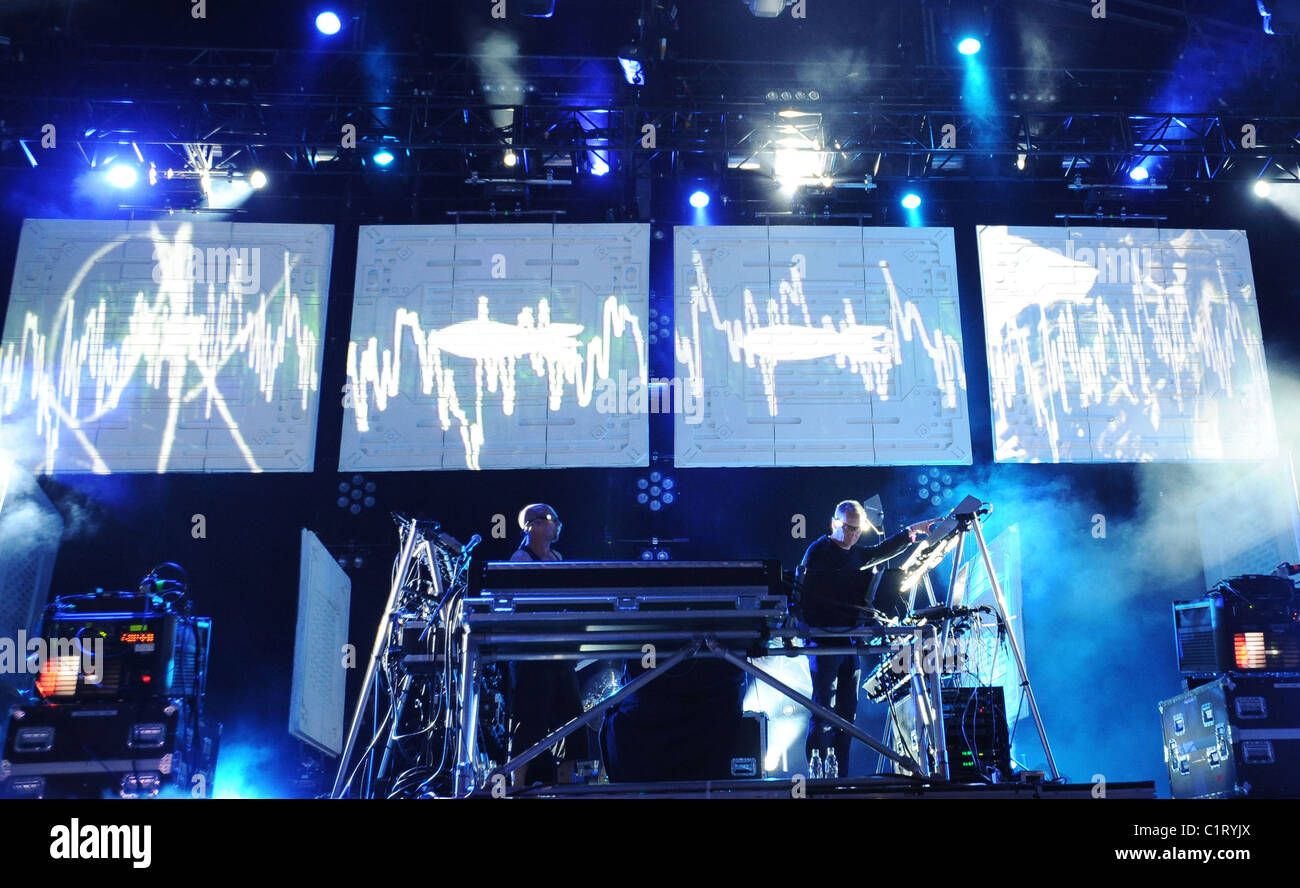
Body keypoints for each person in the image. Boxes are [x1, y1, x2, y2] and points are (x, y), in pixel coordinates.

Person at [797, 499, 934, 775]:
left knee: (847, 713)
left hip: (850, 640)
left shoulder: (857, 554)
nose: (853, 535)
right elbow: (803, 597)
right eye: (848, 528)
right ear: (834, 523)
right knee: (823, 709)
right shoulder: (818, 551)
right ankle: (818, 777)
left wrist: (910, 533)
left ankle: (842, 776)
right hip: (824, 640)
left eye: (858, 530)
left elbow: (879, 552)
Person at [505, 503, 588, 784]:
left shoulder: (558, 556)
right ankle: (518, 780)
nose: (557, 524)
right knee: (531, 715)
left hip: (559, 647)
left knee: (570, 712)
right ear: (535, 525)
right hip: (531, 650)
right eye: (552, 519)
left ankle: (566, 778)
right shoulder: (520, 558)